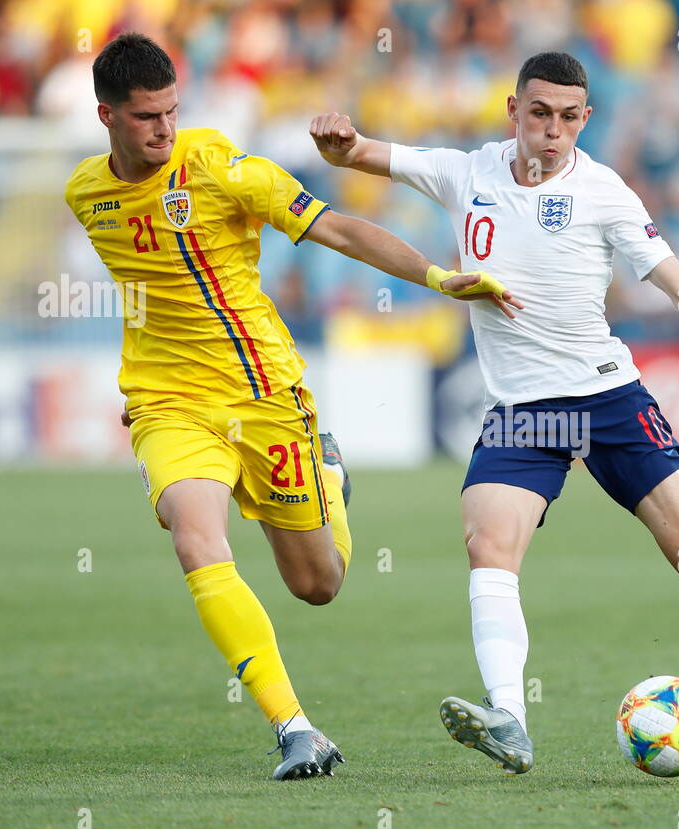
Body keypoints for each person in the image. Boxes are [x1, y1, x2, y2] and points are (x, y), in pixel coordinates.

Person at [311, 51, 679, 774]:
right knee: (488, 546)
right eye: (538, 114)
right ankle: (510, 717)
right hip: (522, 411)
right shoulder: (469, 173)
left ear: (585, 119)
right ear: (513, 112)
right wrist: (341, 145)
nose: (551, 130)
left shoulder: (606, 193)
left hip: (607, 397)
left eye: (567, 117)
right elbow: (372, 154)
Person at [64, 33, 519, 778]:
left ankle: (328, 475)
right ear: (107, 117)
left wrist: (441, 276)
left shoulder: (218, 165)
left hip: (265, 396)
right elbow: (148, 290)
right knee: (194, 540)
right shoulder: (86, 193)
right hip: (170, 406)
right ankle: (296, 729)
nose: (165, 130)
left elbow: (337, 227)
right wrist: (148, 388)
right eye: (147, 117)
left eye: (172, 112)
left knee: (318, 584)